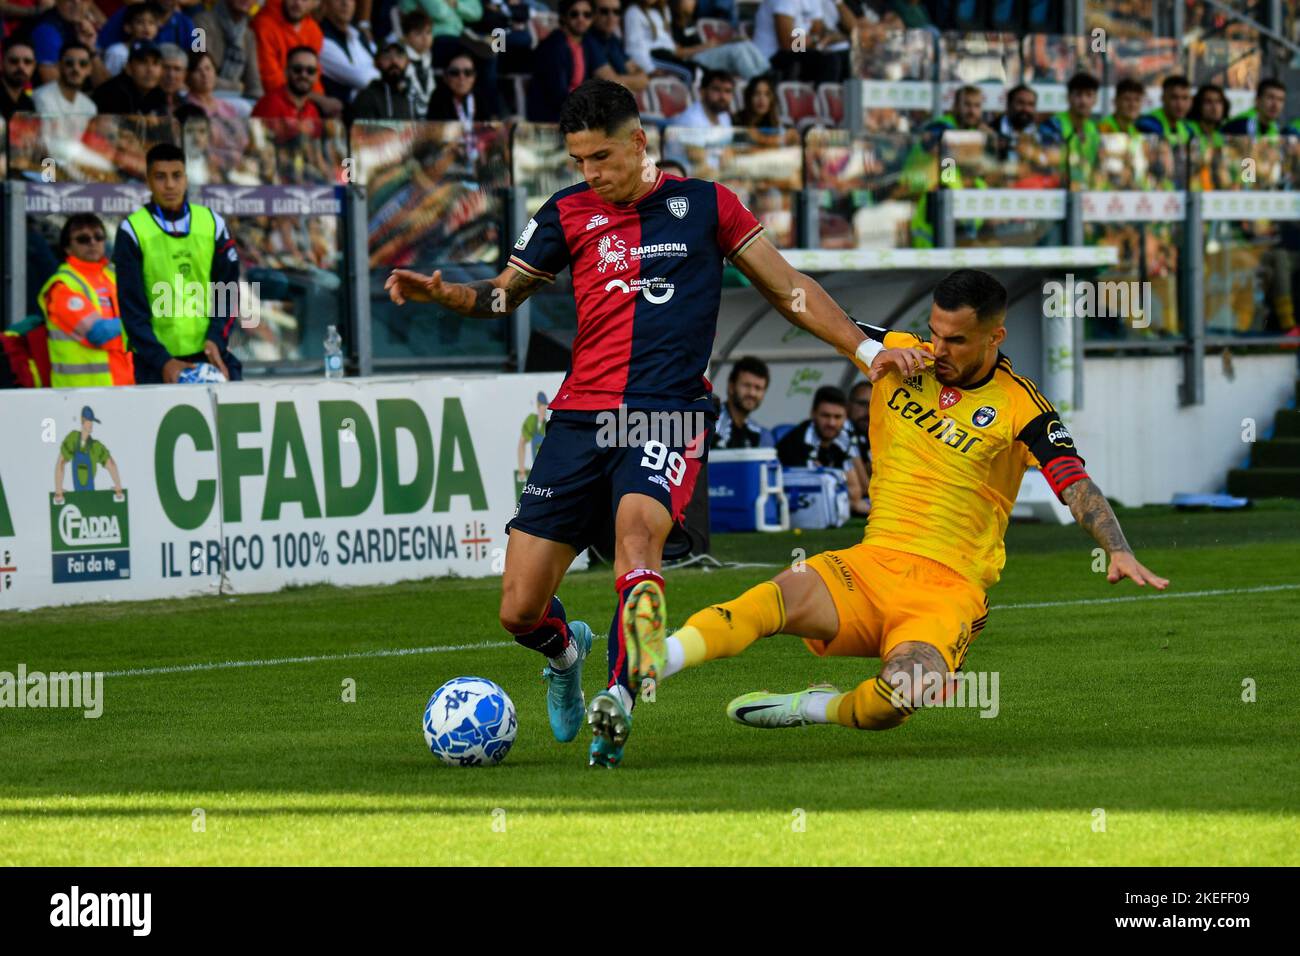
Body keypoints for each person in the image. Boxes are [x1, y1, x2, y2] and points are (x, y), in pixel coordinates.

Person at [385, 78, 908, 768]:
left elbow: (789, 290)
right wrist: (443, 292)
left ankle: (619, 703)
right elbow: (500, 297)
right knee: (517, 609)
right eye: (578, 162)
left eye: (601, 157)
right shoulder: (567, 212)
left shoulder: (706, 206)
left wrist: (867, 351)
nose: (590, 174)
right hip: (577, 422)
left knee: (637, 542)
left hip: (666, 415)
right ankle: (566, 654)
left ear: (639, 141)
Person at [624, 269, 1169, 742]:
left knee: (895, 703)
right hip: (870, 565)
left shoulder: (1022, 406)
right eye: (933, 332)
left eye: (955, 340)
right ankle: (653, 659)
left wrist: (1116, 549)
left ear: (994, 336)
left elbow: (1074, 481)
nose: (938, 349)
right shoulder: (896, 355)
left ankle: (812, 706)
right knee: (766, 601)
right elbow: (806, 303)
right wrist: (871, 350)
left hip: (947, 591)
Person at [113, 142, 243, 384]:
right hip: (157, 364)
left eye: (176, 176)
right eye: (160, 177)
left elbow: (228, 293)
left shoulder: (213, 224)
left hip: (210, 356)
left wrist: (216, 339)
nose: (170, 185)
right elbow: (132, 310)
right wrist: (163, 361)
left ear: (186, 178)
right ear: (148, 181)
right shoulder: (132, 231)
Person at [41, 213, 132, 388]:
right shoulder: (62, 286)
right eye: (83, 239)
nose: (92, 242)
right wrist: (139, 324)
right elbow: (99, 334)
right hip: (80, 394)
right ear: (67, 248)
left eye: (98, 237)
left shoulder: (113, 276)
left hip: (126, 386)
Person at [776, 383, 870, 513]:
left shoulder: (842, 437)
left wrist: (828, 475)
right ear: (813, 414)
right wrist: (841, 482)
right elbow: (813, 495)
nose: (831, 423)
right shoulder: (799, 442)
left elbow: (855, 492)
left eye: (838, 417)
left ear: (845, 418)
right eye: (825, 416)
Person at [524, 0, 618, 123]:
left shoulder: (584, 44)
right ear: (563, 16)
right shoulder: (554, 47)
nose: (581, 19)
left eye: (587, 15)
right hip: (552, 118)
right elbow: (558, 96)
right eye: (574, 14)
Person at [190, 0, 263, 100]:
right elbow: (198, 74)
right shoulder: (200, 22)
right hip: (203, 97)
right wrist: (237, 86)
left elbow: (254, 82)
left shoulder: (248, 35)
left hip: (236, 101)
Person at [251, 44, 324, 138]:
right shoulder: (271, 103)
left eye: (310, 71)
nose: (304, 75)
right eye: (297, 69)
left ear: (316, 76)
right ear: (286, 72)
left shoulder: (312, 110)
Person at [54, 407, 123, 502]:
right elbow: (61, 463)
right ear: (82, 420)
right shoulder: (72, 439)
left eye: (92, 421)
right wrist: (58, 491)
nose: (91, 424)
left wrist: (118, 487)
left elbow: (111, 464)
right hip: (76, 498)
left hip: (92, 498)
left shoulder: (95, 446)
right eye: (89, 421)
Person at [33, 41, 97, 137]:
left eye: (83, 64)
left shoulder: (90, 107)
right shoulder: (42, 97)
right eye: (69, 63)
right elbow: (43, 144)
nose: (76, 68)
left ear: (89, 69)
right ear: (59, 65)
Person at [319, 0, 378, 104]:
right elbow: (363, 79)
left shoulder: (359, 35)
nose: (345, 3)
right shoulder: (321, 38)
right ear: (325, 4)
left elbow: (381, 63)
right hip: (343, 114)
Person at [711, 355, 773, 449]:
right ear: (731, 386)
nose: (752, 393)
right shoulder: (710, 423)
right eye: (746, 385)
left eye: (758, 388)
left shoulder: (759, 434)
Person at [587, 0, 649, 93]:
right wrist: (632, 80)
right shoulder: (589, 40)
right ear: (593, 14)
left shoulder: (613, 40)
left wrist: (620, 79)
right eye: (604, 11)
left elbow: (644, 79)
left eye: (616, 12)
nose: (611, 17)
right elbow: (611, 83)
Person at [92, 39, 168, 115]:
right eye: (143, 62)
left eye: (155, 63)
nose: (150, 69)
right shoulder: (112, 93)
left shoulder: (159, 94)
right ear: (128, 68)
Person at [345, 40, 413, 121]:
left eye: (399, 56)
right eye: (387, 57)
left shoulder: (411, 95)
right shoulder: (367, 97)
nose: (394, 61)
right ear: (376, 63)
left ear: (408, 62)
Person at [425, 48, 494, 121]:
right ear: (445, 77)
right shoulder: (437, 98)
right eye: (454, 73)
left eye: (468, 73)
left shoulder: (481, 97)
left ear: (474, 77)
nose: (462, 77)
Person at [102, 1, 159, 77]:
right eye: (140, 22)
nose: (146, 27)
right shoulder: (117, 52)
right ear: (128, 28)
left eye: (151, 22)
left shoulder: (157, 52)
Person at [1222, 77, 1290, 139]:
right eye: (1270, 97)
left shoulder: (1274, 127)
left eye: (1280, 100)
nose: (1276, 105)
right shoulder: (1240, 126)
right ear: (1257, 100)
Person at [666, 65, 731, 129]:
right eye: (716, 90)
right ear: (702, 92)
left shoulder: (724, 116)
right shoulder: (691, 121)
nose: (723, 96)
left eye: (728, 91)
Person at [1136, 74, 1193, 145]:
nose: (1180, 104)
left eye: (1185, 98)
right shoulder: (1148, 124)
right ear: (1163, 98)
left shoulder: (1188, 129)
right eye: (1174, 98)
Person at [400, 8, 436, 116]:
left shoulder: (428, 58)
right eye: (418, 33)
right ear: (406, 37)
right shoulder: (401, 61)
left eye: (428, 32)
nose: (425, 38)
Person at [0, 37, 35, 119]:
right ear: (1, 64)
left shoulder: (29, 104)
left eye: (27, 61)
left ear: (34, 66)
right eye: (14, 61)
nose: (21, 67)